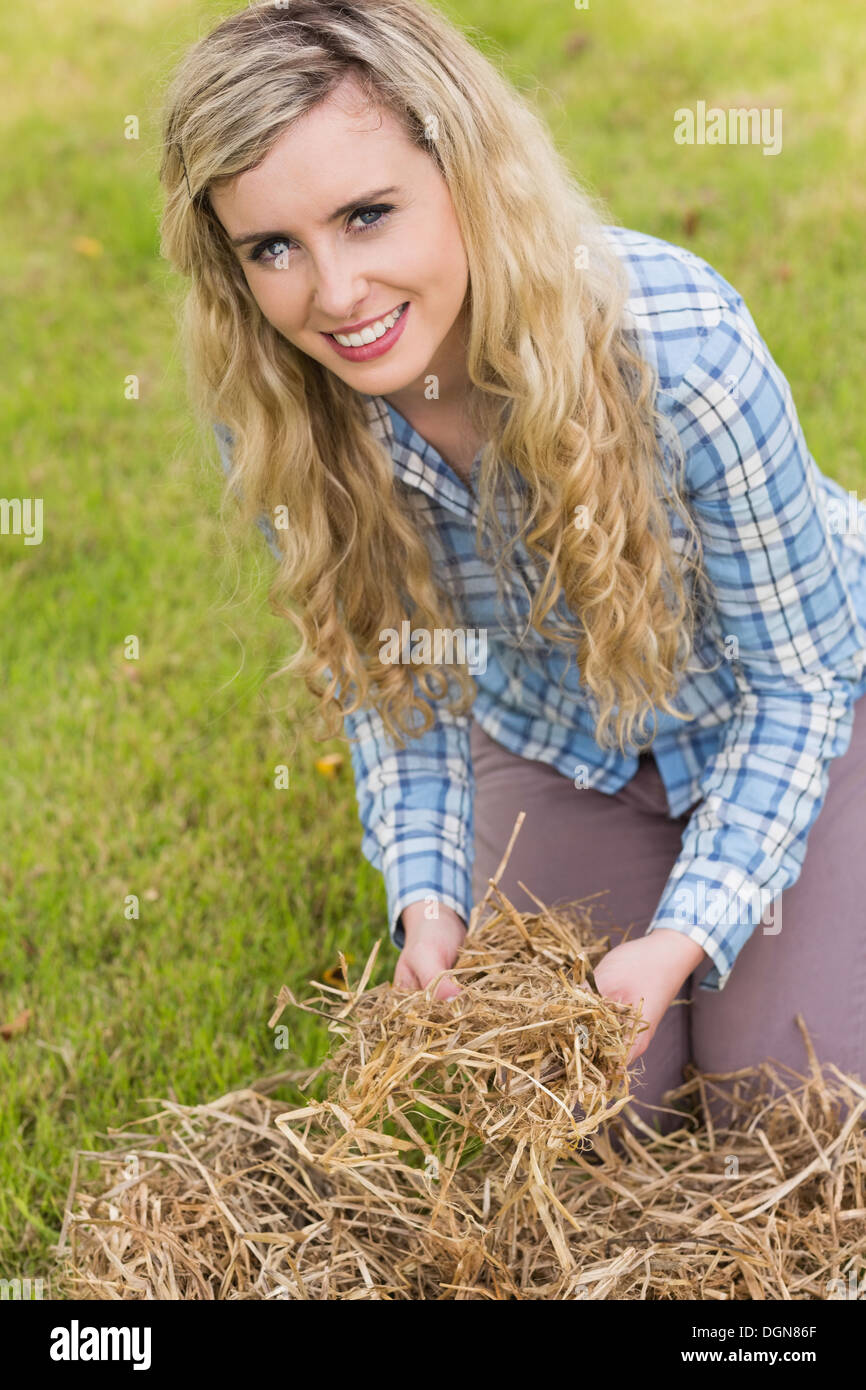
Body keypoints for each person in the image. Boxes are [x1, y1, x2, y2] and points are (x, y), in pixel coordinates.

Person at [160, 0, 866, 1138]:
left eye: (367, 214)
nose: (334, 295)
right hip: (557, 738)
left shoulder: (677, 348)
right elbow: (401, 692)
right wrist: (426, 905)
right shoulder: (283, 418)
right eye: (274, 248)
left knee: (783, 1109)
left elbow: (802, 681)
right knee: (584, 1110)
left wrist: (683, 935)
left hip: (783, 714)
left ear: (466, 174)